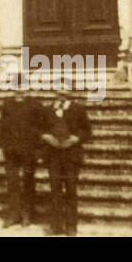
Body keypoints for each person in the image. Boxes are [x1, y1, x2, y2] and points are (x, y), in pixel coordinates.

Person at [40, 91, 92, 236]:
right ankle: (56, 226)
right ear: (55, 92)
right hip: (53, 155)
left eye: (65, 90)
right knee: (55, 190)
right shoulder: (48, 110)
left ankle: (71, 226)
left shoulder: (78, 109)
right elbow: (40, 130)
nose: (62, 94)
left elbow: (87, 131)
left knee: (71, 190)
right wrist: (46, 137)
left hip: (71, 155)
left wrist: (76, 139)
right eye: (59, 90)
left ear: (70, 92)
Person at [0, 78, 42, 228]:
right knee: (12, 182)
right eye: (17, 87)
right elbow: (2, 126)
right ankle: (13, 214)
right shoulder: (7, 104)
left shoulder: (35, 104)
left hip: (29, 151)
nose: (20, 90)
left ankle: (27, 214)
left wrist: (39, 149)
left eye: (23, 87)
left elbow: (41, 128)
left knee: (28, 181)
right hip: (11, 151)